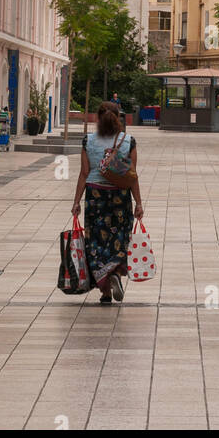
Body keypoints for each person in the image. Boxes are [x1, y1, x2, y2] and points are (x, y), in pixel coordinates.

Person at [71, 102, 142, 305]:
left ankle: (105, 292)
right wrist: (138, 203)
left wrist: (76, 202)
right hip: (120, 197)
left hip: (96, 196)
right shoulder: (129, 141)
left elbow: (84, 173)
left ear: (97, 118)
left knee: (96, 242)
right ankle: (114, 276)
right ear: (118, 117)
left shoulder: (88, 141)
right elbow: (133, 176)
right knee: (118, 238)